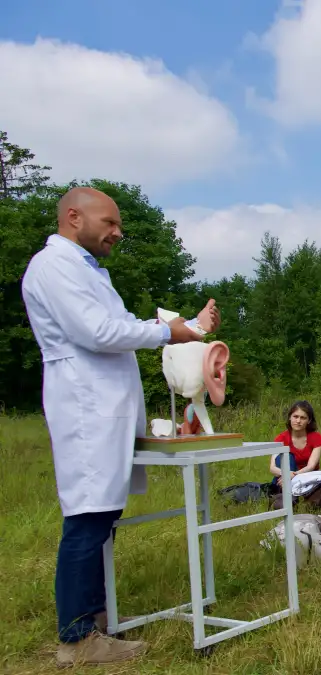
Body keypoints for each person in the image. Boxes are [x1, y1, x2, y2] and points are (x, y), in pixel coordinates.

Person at [21, 187, 220, 666]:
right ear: (74, 217)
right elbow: (99, 332)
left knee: (103, 517)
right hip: (86, 410)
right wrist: (171, 332)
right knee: (88, 519)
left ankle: (95, 621)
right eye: (109, 222)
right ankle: (77, 637)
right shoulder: (54, 267)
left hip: (102, 409)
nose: (118, 232)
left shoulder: (85, 268)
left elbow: (115, 325)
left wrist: (183, 327)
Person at [269, 401, 321, 490]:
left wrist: (294, 475)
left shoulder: (317, 438)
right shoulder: (280, 438)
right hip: (284, 477)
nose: (298, 421)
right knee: (286, 456)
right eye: (295, 417)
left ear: (309, 420)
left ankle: (285, 493)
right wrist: (287, 474)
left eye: (303, 418)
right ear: (290, 417)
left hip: (308, 478)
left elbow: (311, 466)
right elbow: (272, 468)